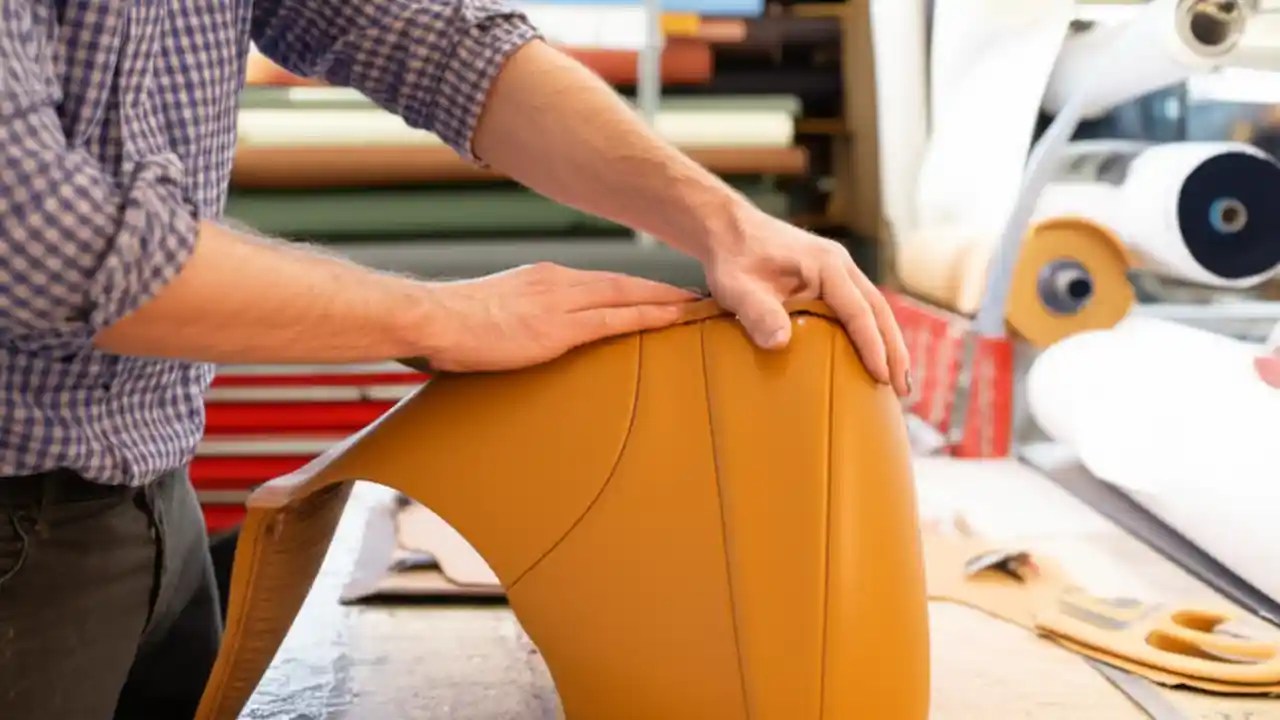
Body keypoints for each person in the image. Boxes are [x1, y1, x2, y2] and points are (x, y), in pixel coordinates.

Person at [0, 1, 910, 718]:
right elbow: (38, 239)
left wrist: (721, 220)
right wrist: (436, 317)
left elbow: (424, 32)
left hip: (150, 498)